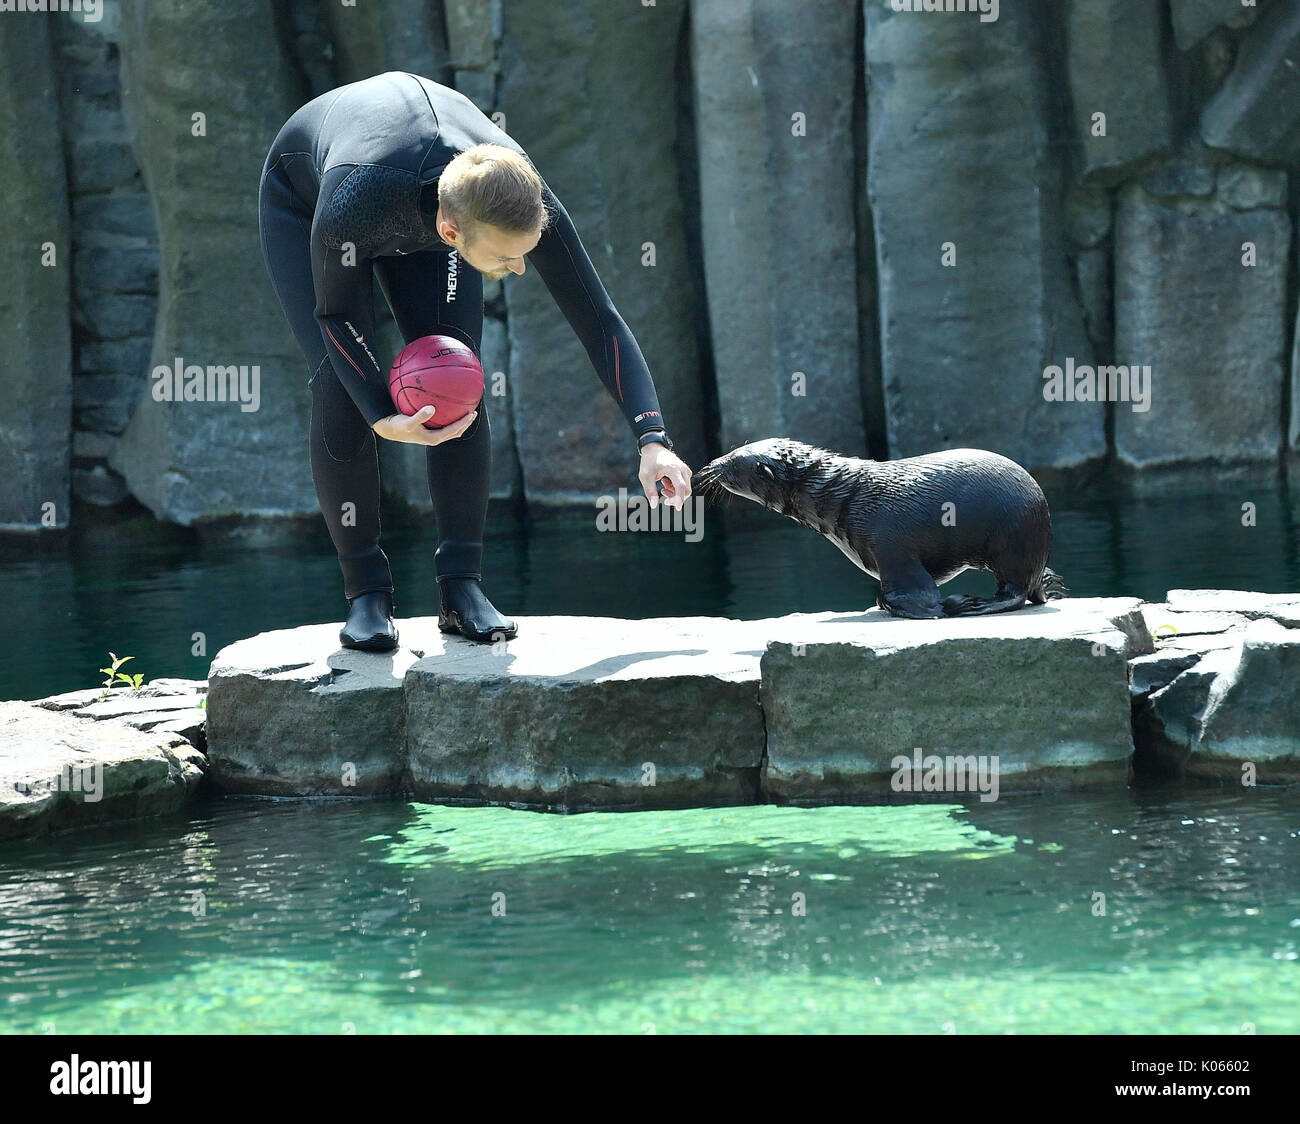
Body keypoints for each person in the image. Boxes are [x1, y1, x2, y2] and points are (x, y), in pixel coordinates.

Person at [258, 71, 692, 649]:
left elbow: (600, 320)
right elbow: (335, 319)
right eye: (508, 258)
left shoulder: (521, 196)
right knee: (339, 385)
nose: (518, 270)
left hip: (421, 203)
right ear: (450, 230)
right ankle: (366, 593)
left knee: (455, 377)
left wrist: (653, 440)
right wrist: (379, 413)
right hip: (310, 193)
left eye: (524, 253)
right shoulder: (353, 200)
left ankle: (460, 588)